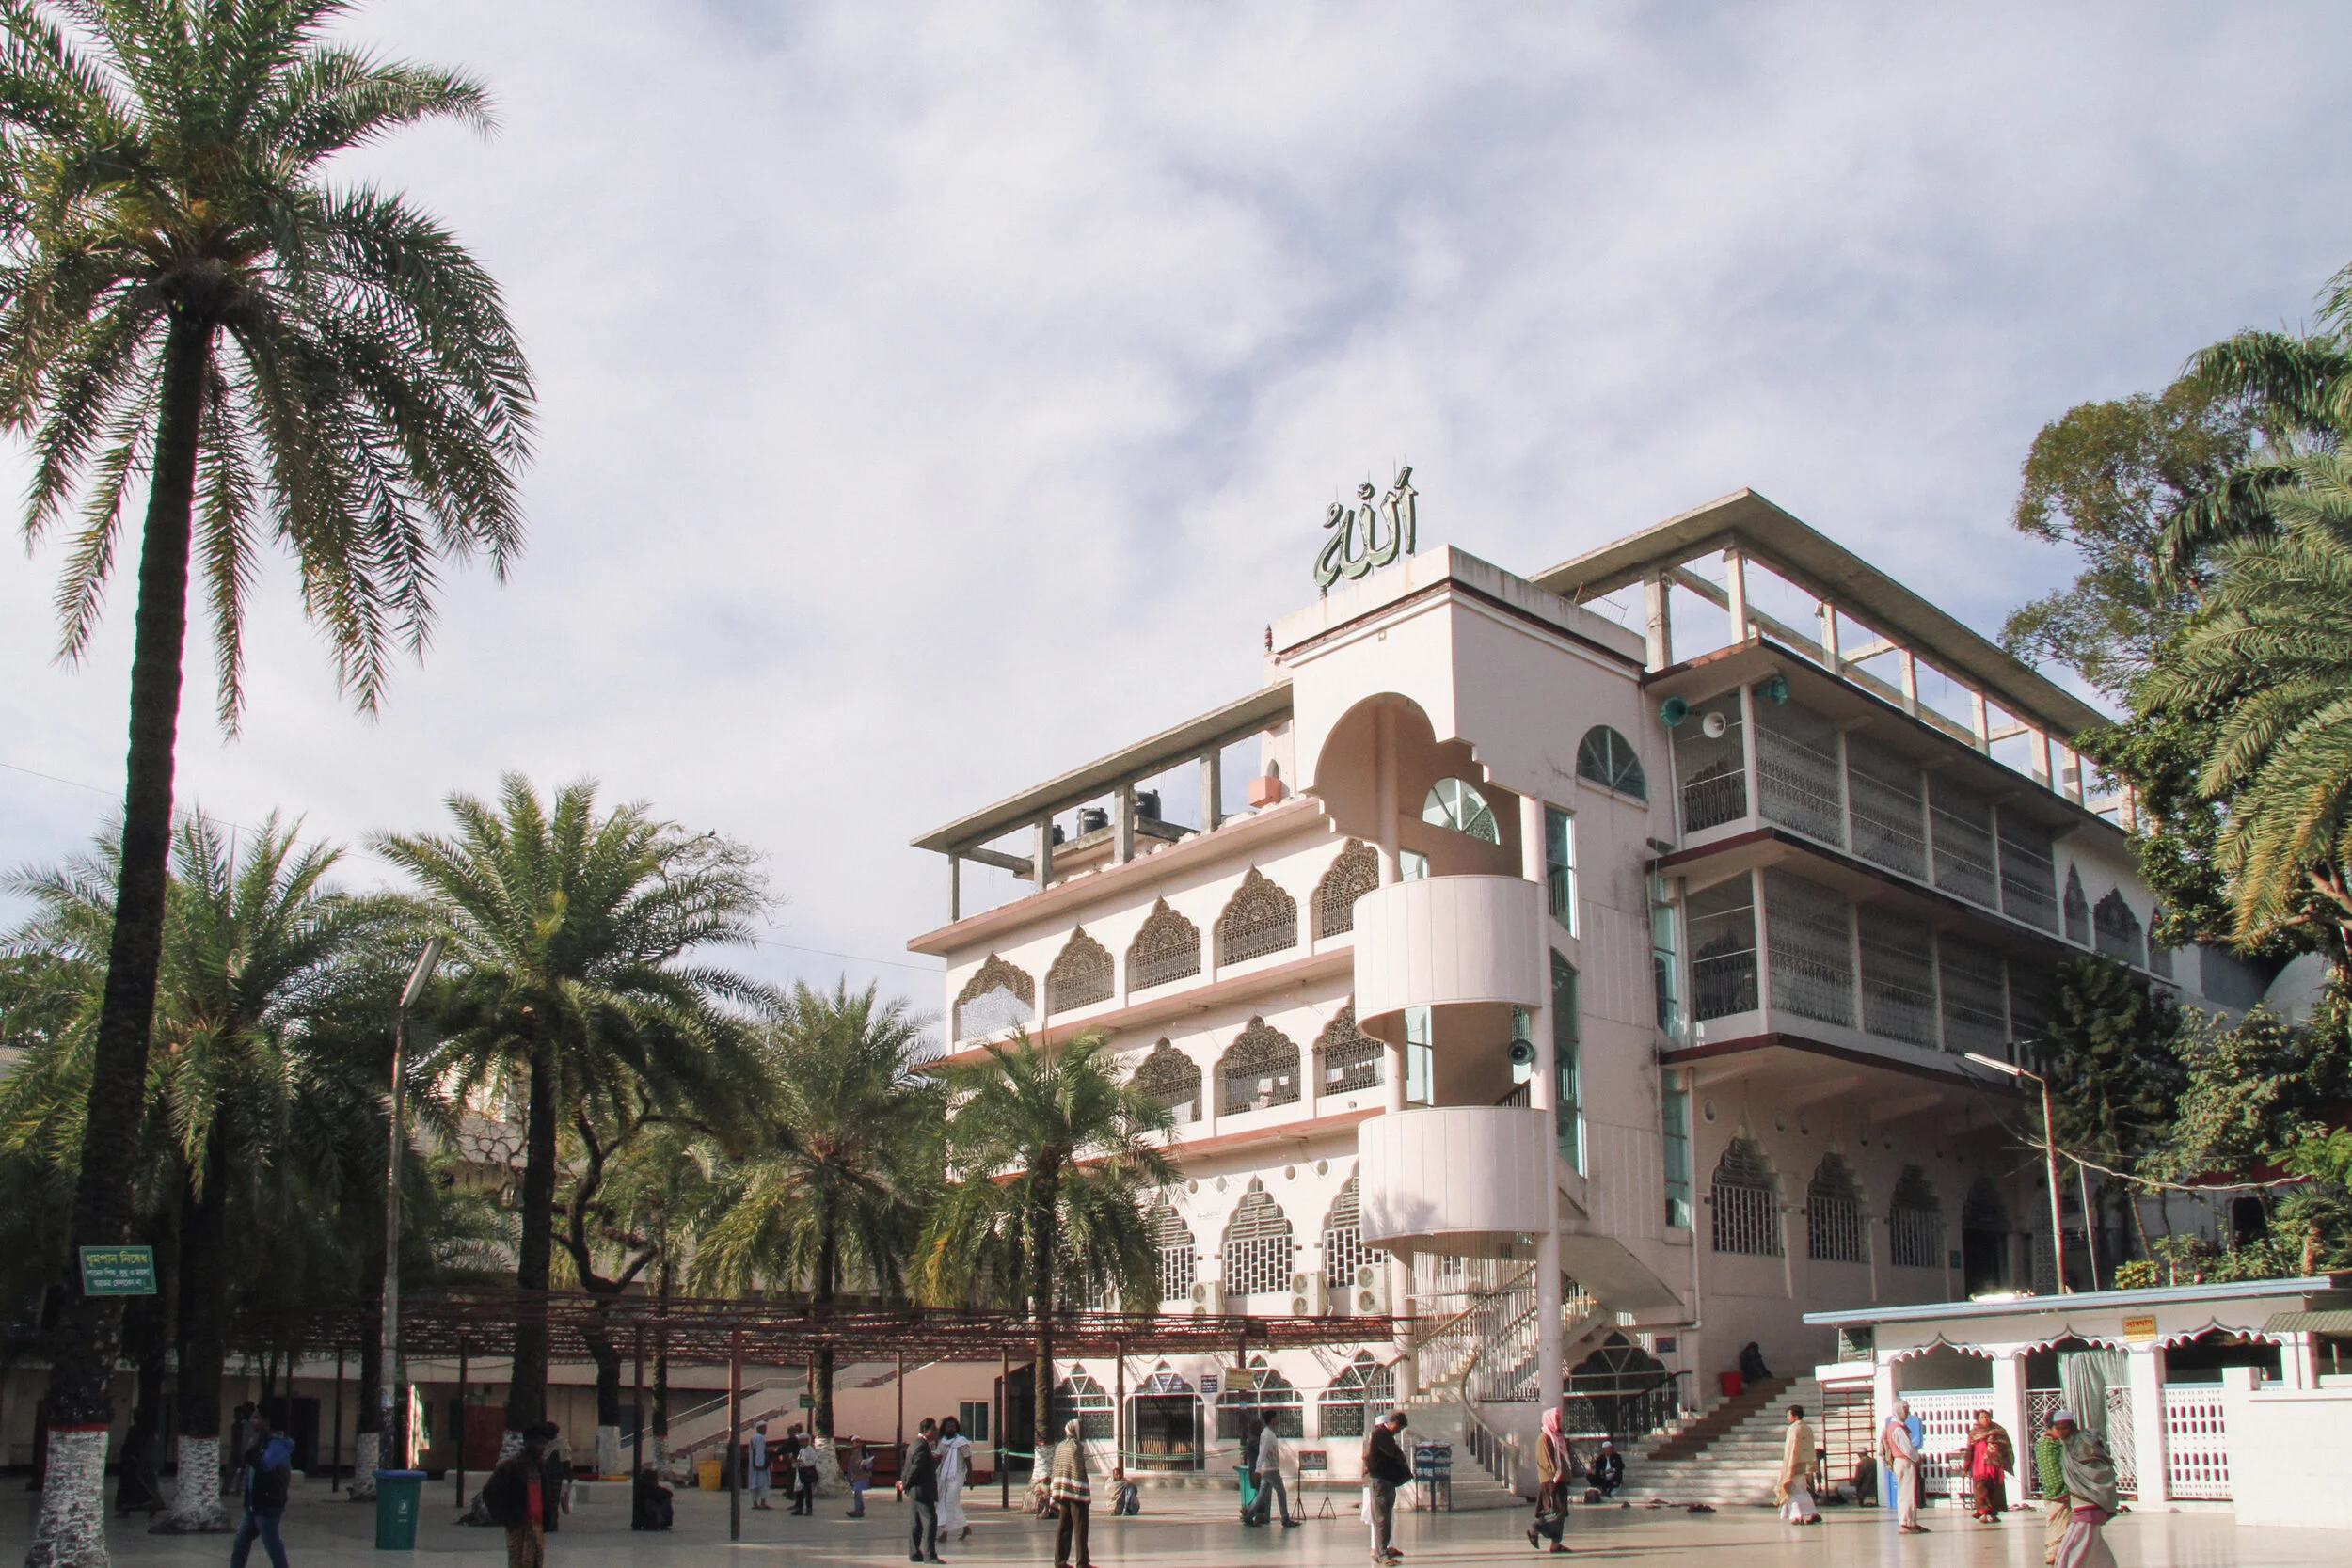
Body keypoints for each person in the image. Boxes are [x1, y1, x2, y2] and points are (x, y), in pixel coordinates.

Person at [484, 1421, 560, 1568]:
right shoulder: (511, 1467)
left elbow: (545, 1495)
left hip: (536, 1526)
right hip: (518, 1526)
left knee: (535, 1562)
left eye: (545, 1443)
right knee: (518, 1562)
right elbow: (490, 1492)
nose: (543, 1447)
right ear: (528, 1443)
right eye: (540, 1443)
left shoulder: (541, 1467)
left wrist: (547, 1519)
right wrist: (506, 1517)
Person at [2050, 1412, 2120, 1568]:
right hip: (2081, 1501)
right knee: (2093, 1544)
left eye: (2065, 1428)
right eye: (2058, 1428)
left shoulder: (2084, 1443)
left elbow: (2095, 1470)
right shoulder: (2067, 1445)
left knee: (2073, 1546)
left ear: (2072, 1427)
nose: (2061, 1432)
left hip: (2089, 1500)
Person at [229, 1408, 294, 1568]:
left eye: (257, 1418)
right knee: (241, 1542)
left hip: (268, 1504)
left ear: (267, 1421)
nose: (253, 1421)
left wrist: (250, 1452)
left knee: (272, 1543)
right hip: (253, 1504)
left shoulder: (277, 1444)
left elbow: (265, 1466)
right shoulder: (262, 1441)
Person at [1363, 1409, 1411, 1565]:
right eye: (1399, 1428)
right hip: (1380, 1481)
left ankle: (1382, 1552)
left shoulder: (1387, 1437)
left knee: (1386, 1518)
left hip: (1387, 1481)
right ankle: (1382, 1554)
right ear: (1394, 1424)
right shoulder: (1380, 1435)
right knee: (1381, 1519)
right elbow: (1394, 1454)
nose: (1398, 1431)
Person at [1528, 1405, 1573, 1553]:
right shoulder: (1544, 1438)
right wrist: (1557, 1475)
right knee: (1555, 1512)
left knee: (1561, 1513)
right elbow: (1547, 1462)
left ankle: (1555, 1544)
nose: (1559, 1421)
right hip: (1552, 1481)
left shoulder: (1555, 1437)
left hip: (1559, 1480)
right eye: (1557, 1419)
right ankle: (1536, 1528)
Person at [1244, 1411, 1300, 1528]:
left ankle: (1249, 1514)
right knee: (1281, 1493)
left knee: (1261, 1494)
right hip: (1270, 1470)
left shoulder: (1269, 1433)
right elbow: (1263, 1452)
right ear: (1272, 1419)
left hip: (1269, 1469)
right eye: (1276, 1417)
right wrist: (1258, 1469)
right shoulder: (1267, 1434)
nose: (1278, 1419)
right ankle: (1285, 1518)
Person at [1049, 1418, 1092, 1568]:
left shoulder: (1060, 1446)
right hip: (1076, 1494)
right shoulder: (1076, 1447)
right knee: (1080, 1528)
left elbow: (1056, 1468)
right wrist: (1085, 1494)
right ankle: (1082, 1563)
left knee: (1064, 1527)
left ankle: (1060, 1562)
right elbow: (1079, 1472)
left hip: (1063, 1492)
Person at [1879, 1400, 1925, 1534]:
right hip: (1904, 1462)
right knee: (1907, 1494)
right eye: (1905, 1410)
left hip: (1902, 1462)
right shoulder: (1897, 1428)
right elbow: (1908, 1449)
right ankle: (1906, 1523)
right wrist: (1917, 1459)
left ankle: (1911, 1522)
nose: (1907, 1412)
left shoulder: (1896, 1426)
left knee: (1908, 1493)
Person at [901, 1417, 942, 1564]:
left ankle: (914, 1553)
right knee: (931, 1519)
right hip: (921, 1490)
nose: (936, 1432)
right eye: (934, 1429)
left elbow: (909, 1466)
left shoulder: (915, 1444)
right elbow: (914, 1468)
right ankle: (929, 1555)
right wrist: (905, 1483)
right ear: (926, 1431)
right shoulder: (921, 1446)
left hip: (915, 1491)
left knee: (916, 1522)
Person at [1777, 1405, 1821, 1525]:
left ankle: (1797, 1516)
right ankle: (1813, 1513)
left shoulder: (1793, 1429)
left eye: (1789, 1415)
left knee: (1793, 1491)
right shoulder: (1807, 1428)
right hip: (1804, 1464)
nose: (1787, 1418)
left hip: (1794, 1464)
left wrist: (1788, 1466)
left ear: (1795, 1416)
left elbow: (1791, 1449)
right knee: (1802, 1491)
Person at [1968, 1409, 2013, 1522]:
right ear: (1978, 1420)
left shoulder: (1998, 1431)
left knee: (1995, 1490)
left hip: (1994, 1466)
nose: (1985, 1419)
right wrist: (1966, 1466)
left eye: (1987, 1417)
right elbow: (1970, 1451)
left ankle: (1993, 1513)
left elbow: (2006, 1447)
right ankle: (1983, 1513)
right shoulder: (1974, 1433)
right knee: (1981, 1490)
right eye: (1982, 1417)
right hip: (1980, 1466)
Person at [936, 1413, 972, 1539]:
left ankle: (945, 1533)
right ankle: (966, 1528)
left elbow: (968, 1460)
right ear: (944, 1428)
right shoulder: (942, 1442)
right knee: (950, 1503)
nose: (950, 1429)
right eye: (948, 1426)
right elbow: (938, 1459)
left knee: (950, 1503)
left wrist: (971, 1478)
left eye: (952, 1426)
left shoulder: (962, 1442)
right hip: (943, 1477)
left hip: (957, 1477)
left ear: (956, 1428)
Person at [630, 1465, 674, 1531]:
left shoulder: (653, 1489)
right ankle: (656, 1522)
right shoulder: (644, 1490)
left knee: (664, 1500)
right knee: (653, 1501)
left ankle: (661, 1522)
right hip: (648, 1520)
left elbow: (669, 1494)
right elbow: (654, 1494)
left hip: (653, 1519)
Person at [792, 1425, 821, 1515]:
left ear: (806, 1441)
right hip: (800, 1472)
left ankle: (809, 1509)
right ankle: (799, 1508)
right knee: (799, 1492)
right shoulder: (801, 1450)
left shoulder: (811, 1450)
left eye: (802, 1441)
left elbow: (813, 1461)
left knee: (808, 1492)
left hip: (807, 1473)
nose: (800, 1443)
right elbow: (798, 1460)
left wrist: (803, 1463)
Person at [844, 1440, 873, 1518]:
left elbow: (869, 1462)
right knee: (857, 1493)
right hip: (855, 1475)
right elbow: (850, 1465)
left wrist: (866, 1466)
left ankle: (858, 1510)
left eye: (856, 1442)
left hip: (862, 1475)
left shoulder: (863, 1451)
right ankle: (860, 1508)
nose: (855, 1444)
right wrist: (849, 1476)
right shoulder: (851, 1452)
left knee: (857, 1492)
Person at [749, 1421, 772, 1510]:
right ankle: (763, 1502)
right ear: (760, 1428)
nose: (766, 1430)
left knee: (754, 1483)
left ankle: (755, 1503)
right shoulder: (759, 1438)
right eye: (765, 1428)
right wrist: (760, 1465)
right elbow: (759, 1452)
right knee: (763, 1483)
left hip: (754, 1466)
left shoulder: (753, 1438)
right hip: (760, 1466)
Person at [778, 1423, 803, 1511]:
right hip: (794, 1464)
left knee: (794, 1483)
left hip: (794, 1464)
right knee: (794, 1483)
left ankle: (797, 1503)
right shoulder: (796, 1441)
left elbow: (782, 1450)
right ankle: (797, 1503)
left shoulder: (792, 1441)